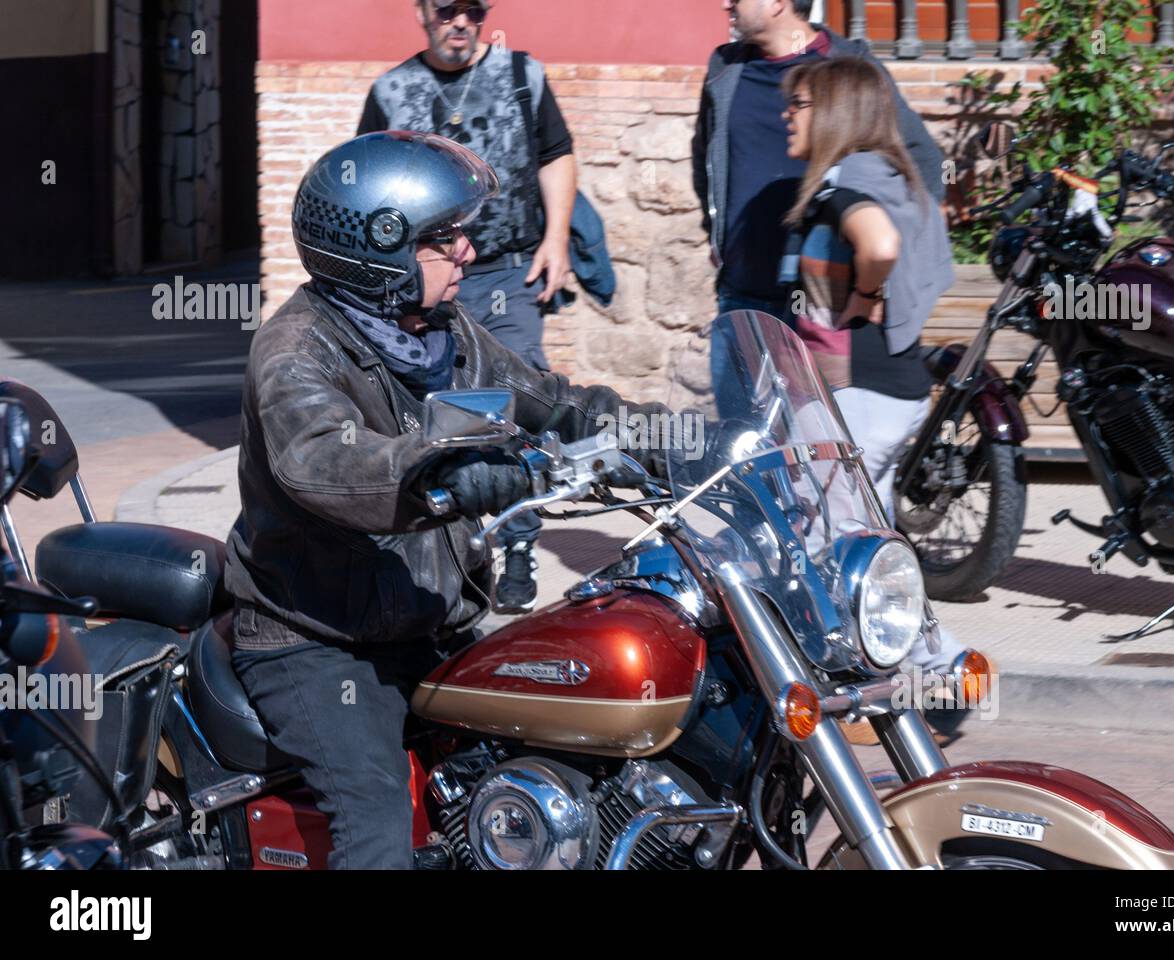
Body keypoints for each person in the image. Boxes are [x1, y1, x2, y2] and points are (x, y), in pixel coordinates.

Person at [224, 132, 663, 868]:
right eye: (443, 238)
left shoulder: (441, 335)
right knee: (378, 819)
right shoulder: (296, 350)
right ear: (379, 249)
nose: (467, 251)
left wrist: (666, 434)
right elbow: (331, 465)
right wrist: (440, 476)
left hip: (426, 621)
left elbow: (550, 403)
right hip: (315, 639)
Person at [357, 0, 579, 612]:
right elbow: (368, 181)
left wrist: (556, 237)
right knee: (437, 412)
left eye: (474, 10)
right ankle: (449, 545)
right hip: (421, 283)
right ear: (422, 11)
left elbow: (556, 152)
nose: (461, 22)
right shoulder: (392, 90)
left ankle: (520, 547)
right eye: (448, 9)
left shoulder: (521, 74)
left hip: (506, 270)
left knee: (513, 408)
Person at [778, 57, 969, 732]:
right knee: (871, 537)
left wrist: (863, 296)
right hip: (891, 387)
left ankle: (917, 668)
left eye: (799, 104)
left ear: (834, 112)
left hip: (853, 393)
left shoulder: (847, 181)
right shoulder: (892, 173)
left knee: (839, 542)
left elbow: (880, 244)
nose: (787, 115)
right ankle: (932, 666)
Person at [692, 0, 944, 319]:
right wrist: (717, 235)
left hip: (824, 305)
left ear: (777, 4)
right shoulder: (725, 69)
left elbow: (921, 157)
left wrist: (879, 280)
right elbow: (705, 158)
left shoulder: (847, 67)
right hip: (742, 292)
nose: (726, 4)